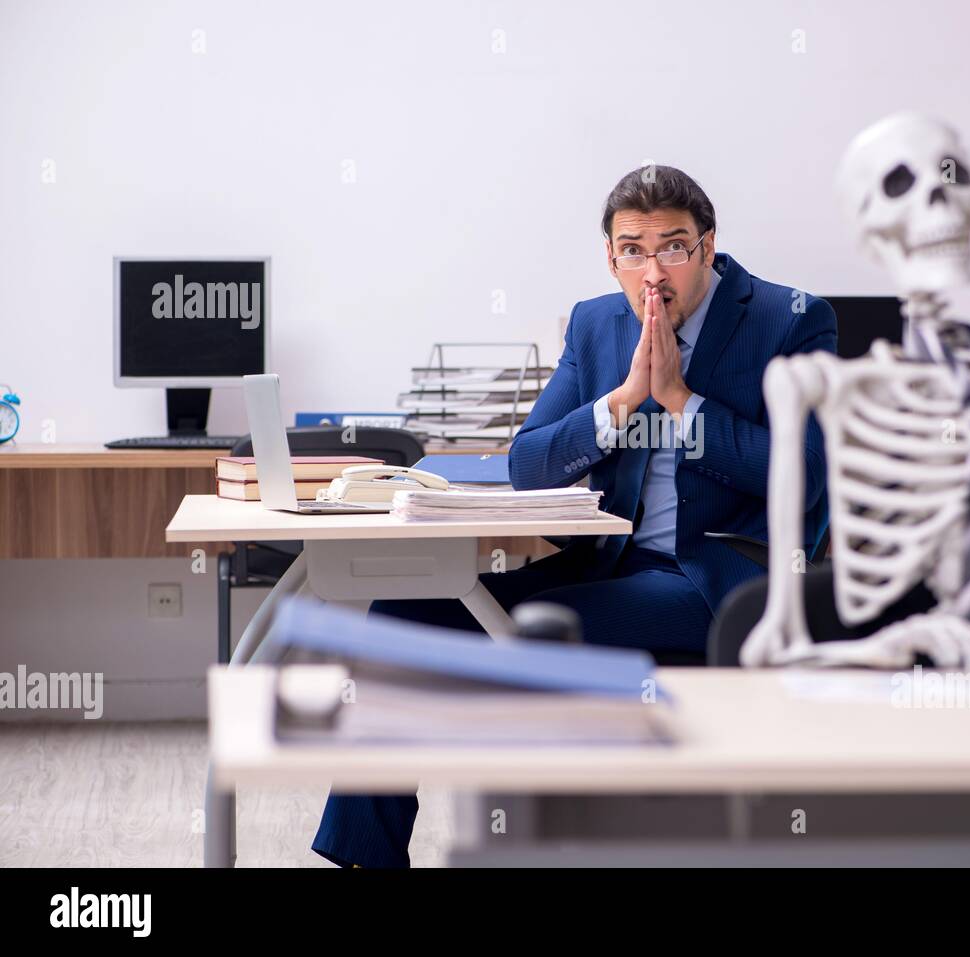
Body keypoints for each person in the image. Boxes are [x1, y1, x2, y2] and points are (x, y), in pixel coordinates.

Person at [311, 164, 837, 867]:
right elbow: (527, 463)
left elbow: (802, 475)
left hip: (723, 579)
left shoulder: (789, 319)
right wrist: (619, 403)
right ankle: (363, 860)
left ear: (709, 247)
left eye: (674, 246)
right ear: (611, 256)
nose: (654, 270)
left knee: (530, 641)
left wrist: (681, 401)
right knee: (400, 619)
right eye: (633, 250)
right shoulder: (597, 322)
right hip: (611, 564)